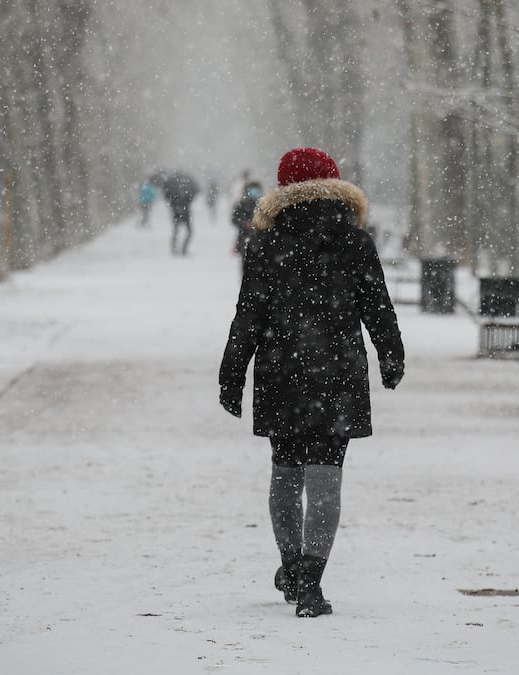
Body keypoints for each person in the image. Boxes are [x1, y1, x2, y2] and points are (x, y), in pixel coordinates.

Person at [218, 147, 405, 618]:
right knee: (327, 474)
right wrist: (391, 352)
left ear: (282, 190)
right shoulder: (355, 241)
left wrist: (232, 373)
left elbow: (250, 314)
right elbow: (377, 305)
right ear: (337, 185)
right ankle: (312, 581)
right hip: (337, 372)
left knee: (285, 471)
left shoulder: (265, 242)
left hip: (282, 369)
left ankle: (291, 565)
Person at [160, 172, 199, 256]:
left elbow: (167, 197)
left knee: (178, 231)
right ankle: (182, 249)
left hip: (179, 212)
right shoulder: (186, 188)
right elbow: (192, 197)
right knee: (185, 231)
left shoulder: (172, 188)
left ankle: (176, 249)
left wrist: (174, 205)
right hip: (184, 212)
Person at [230, 180, 262, 256]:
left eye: (256, 189)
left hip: (260, 240)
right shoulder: (241, 204)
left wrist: (259, 224)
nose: (254, 192)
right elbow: (234, 219)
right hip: (244, 239)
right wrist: (244, 223)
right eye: (252, 189)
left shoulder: (262, 204)